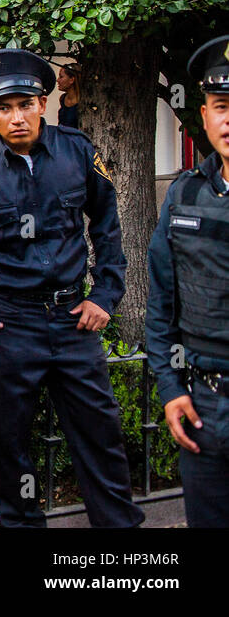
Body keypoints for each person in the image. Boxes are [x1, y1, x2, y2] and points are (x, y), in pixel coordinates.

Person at [0, 48, 143, 528]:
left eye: (26, 104)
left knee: (100, 435)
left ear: (43, 105)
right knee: (10, 447)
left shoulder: (77, 152)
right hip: (8, 325)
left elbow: (108, 226)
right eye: (5, 108)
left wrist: (105, 295)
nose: (17, 117)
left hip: (74, 320)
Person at [146, 34, 229, 527]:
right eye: (222, 106)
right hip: (205, 407)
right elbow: (162, 306)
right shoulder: (184, 197)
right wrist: (172, 388)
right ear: (204, 114)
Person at [57, 63, 81, 129]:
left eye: (61, 77)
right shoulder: (63, 99)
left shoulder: (82, 101)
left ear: (71, 80)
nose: (57, 80)